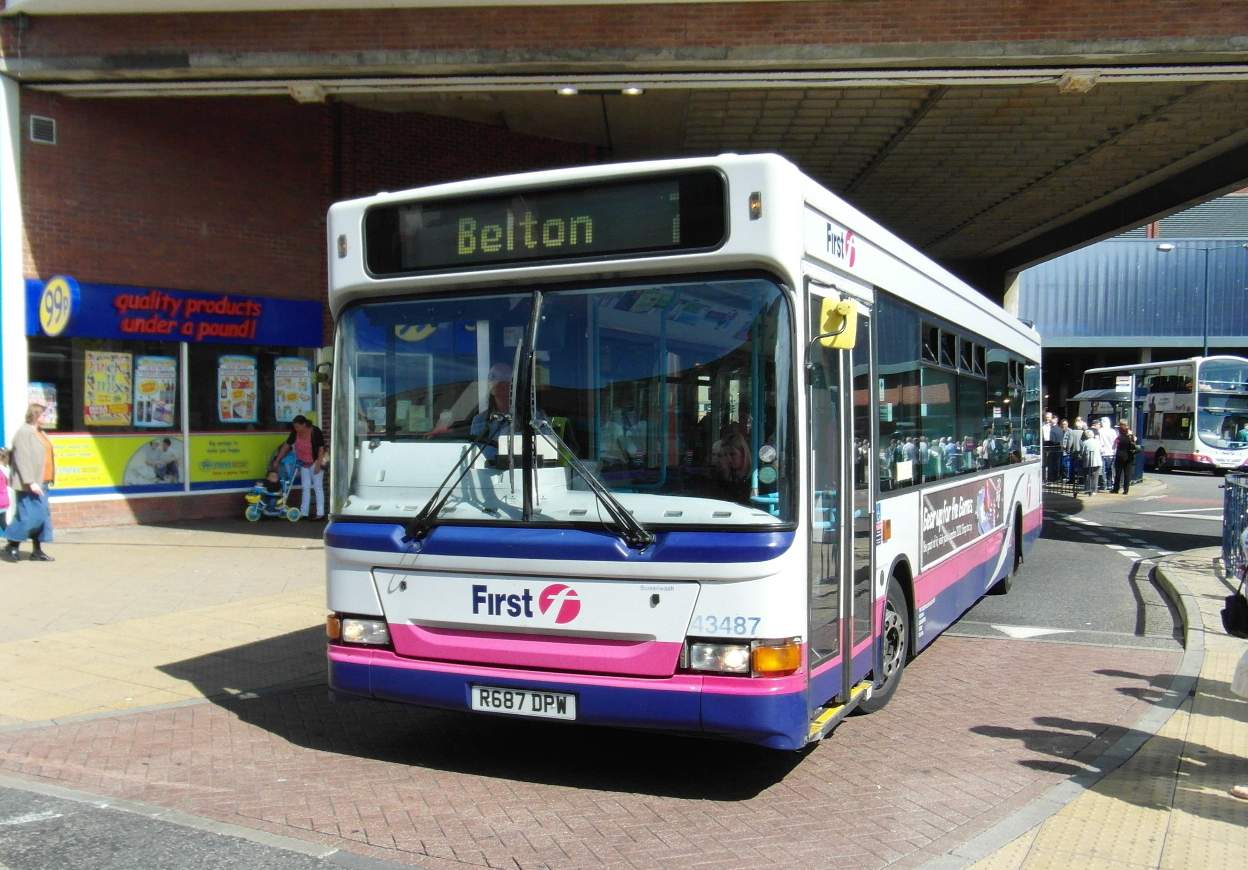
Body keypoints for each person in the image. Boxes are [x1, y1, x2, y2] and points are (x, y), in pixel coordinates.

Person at [2, 403, 55, 562]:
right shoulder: (24, 433)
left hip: (44, 481)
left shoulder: (40, 433)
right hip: (30, 483)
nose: (47, 417)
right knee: (29, 517)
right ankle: (12, 545)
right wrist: (30, 481)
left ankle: (37, 551)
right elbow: (22, 459)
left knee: (42, 518)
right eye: (45, 415)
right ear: (36, 415)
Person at [275, 414, 327, 520]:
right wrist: (277, 459)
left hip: (315, 461)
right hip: (303, 463)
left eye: (298, 426)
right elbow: (287, 445)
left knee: (318, 488)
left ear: (304, 424)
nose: (296, 429)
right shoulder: (295, 432)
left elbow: (321, 448)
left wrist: (318, 464)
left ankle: (320, 513)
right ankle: (304, 513)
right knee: (305, 488)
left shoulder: (315, 431)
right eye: (295, 427)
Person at [470, 362, 514, 460]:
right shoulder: (479, 421)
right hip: (485, 473)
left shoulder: (533, 418)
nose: (499, 383)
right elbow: (475, 457)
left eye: (506, 378)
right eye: (493, 377)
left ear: (513, 384)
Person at [1110, 421, 1138, 495]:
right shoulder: (1131, 435)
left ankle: (1116, 489)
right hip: (1129, 457)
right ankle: (1126, 490)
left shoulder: (1119, 435)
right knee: (1127, 474)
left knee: (1118, 474)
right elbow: (1134, 443)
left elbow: (1114, 445)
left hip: (1120, 456)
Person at [1080, 428, 1102, 496]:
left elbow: (1082, 453)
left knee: (1087, 475)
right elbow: (1100, 450)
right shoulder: (1097, 442)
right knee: (1095, 476)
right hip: (1097, 461)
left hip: (1088, 461)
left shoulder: (1084, 443)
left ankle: (1087, 489)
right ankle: (1094, 490)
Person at [0, 448, 10, 532]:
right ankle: (12, 540)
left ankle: (13, 540)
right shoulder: (6, 470)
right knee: (3, 522)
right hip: (4, 500)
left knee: (3, 522)